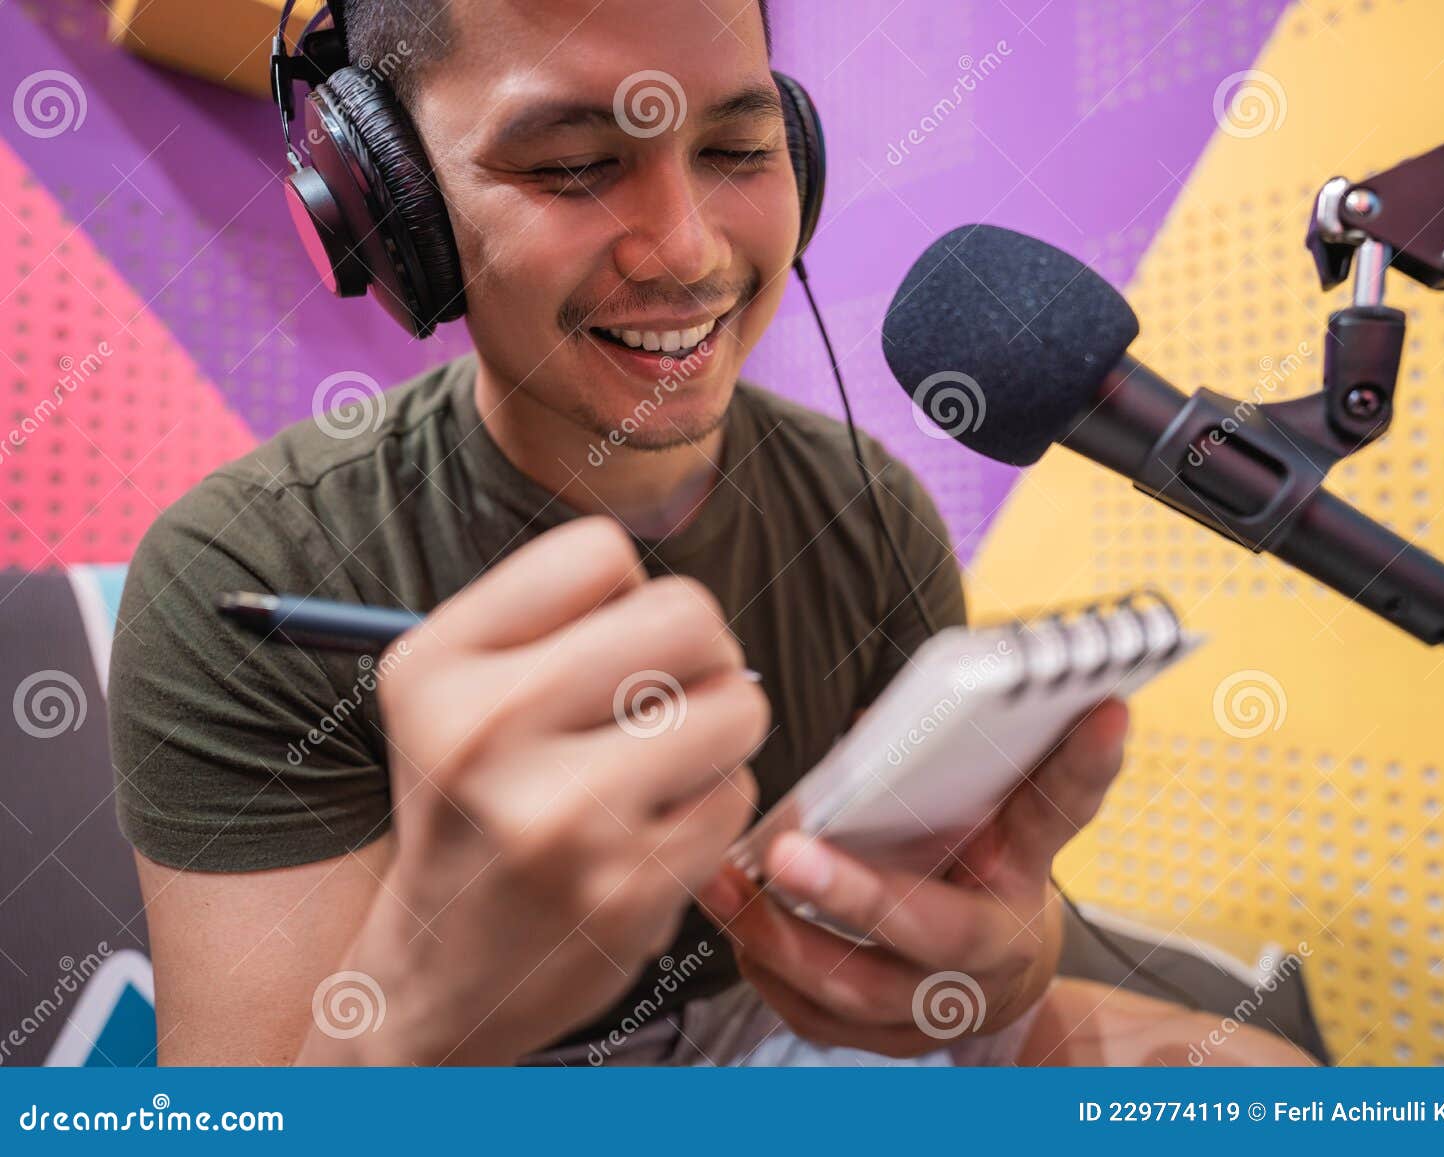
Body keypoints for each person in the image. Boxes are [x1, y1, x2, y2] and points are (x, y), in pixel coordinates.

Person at [109, 0, 1313, 1067]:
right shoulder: (242, 567)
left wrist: (1006, 950)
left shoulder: (867, 502)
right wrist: (419, 1013)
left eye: (738, 150)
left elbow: (960, 890)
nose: (686, 250)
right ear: (387, 209)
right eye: (574, 166)